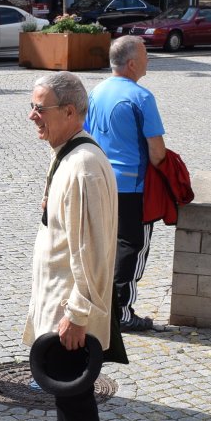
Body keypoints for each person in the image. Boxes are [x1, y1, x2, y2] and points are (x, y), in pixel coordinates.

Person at [21, 71, 118, 421]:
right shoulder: (66, 156)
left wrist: (78, 314)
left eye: (41, 108)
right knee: (63, 394)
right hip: (56, 304)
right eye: (33, 106)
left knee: (77, 399)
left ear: (72, 112)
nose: (33, 116)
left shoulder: (83, 166)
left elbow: (96, 251)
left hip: (71, 311)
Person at [83, 35, 165, 333]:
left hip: (100, 181)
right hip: (132, 186)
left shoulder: (95, 92)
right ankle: (122, 311)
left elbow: (86, 136)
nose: (148, 60)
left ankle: (101, 306)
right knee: (132, 246)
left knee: (104, 245)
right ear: (132, 64)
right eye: (145, 55)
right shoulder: (141, 97)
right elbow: (157, 152)